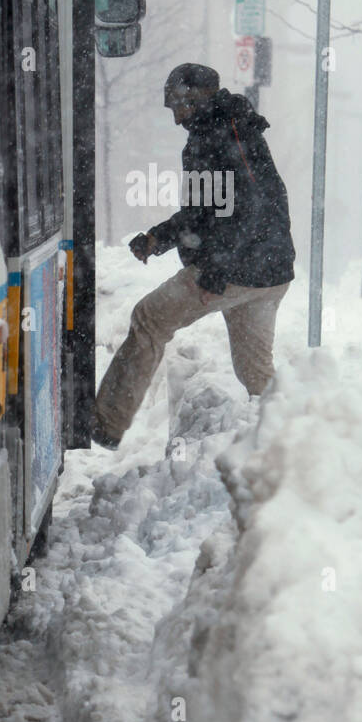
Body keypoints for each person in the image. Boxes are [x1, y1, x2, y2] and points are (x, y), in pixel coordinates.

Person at [92, 63, 295, 449]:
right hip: (268, 272)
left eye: (178, 106)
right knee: (255, 373)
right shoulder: (223, 129)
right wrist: (158, 238)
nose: (175, 118)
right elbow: (204, 211)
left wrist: (217, 271)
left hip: (240, 269)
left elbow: (253, 207)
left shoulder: (226, 133)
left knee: (149, 319)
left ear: (197, 98)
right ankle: (292, 445)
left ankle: (105, 423)